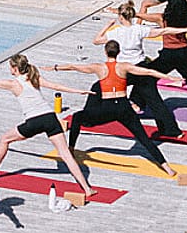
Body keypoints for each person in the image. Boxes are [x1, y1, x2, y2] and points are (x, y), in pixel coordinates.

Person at [0, 54, 96, 199]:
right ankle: (87, 188)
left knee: (4, 139)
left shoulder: (14, 83)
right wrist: (79, 91)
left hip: (34, 121)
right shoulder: (34, 78)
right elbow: (56, 86)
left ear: (15, 69)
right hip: (50, 118)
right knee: (65, 154)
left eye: (10, 67)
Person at [44, 41, 179, 177]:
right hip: (124, 107)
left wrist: (55, 67)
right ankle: (167, 168)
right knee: (144, 139)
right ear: (119, 52)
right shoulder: (124, 66)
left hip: (107, 108)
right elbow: (148, 71)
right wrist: (169, 77)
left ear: (105, 52)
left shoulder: (99, 68)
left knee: (77, 117)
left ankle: (71, 149)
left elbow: (74, 66)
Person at [92, 0, 187, 137]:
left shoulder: (116, 32)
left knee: (97, 88)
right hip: (141, 68)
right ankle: (172, 131)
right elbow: (164, 30)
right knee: (155, 101)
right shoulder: (139, 29)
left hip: (124, 71)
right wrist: (185, 30)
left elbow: (96, 40)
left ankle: (90, 117)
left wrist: (107, 26)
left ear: (121, 17)